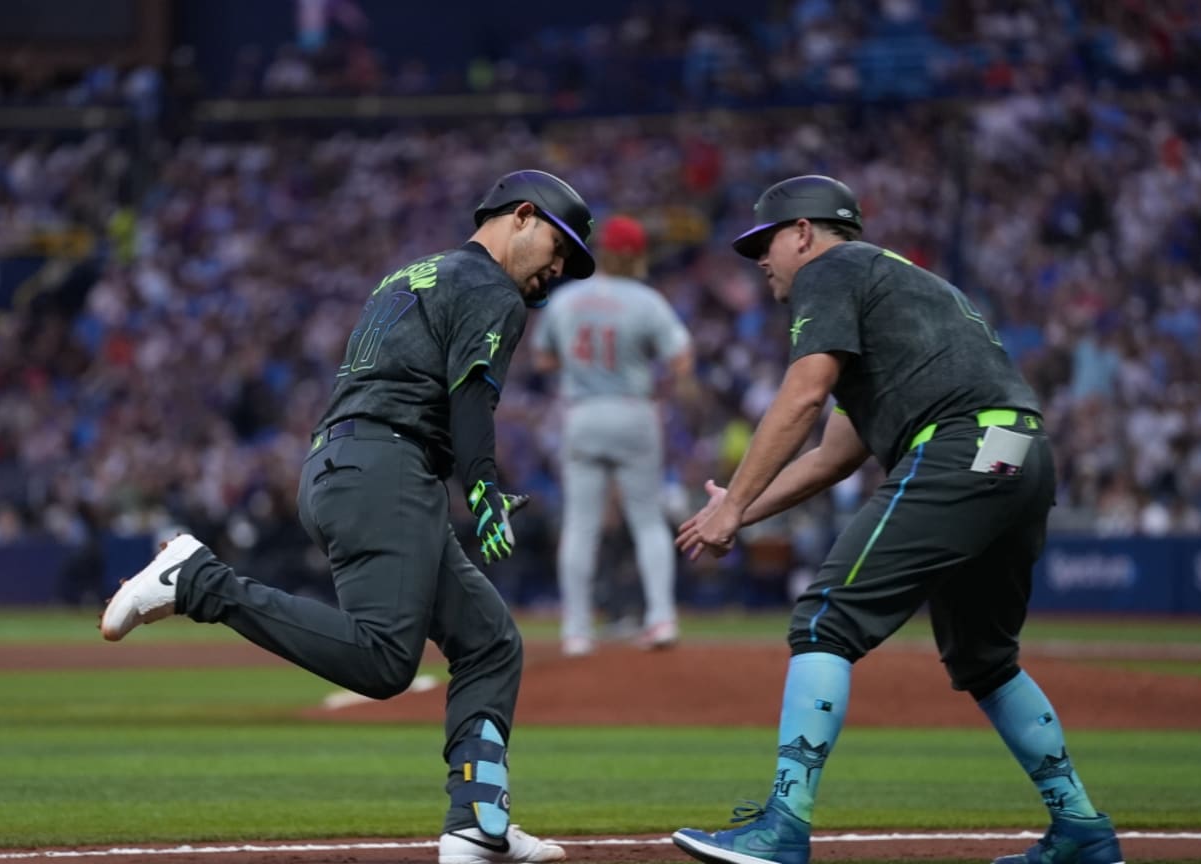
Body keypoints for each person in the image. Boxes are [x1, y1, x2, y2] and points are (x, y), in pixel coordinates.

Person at [100, 169, 598, 864]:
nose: (558, 269)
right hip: (386, 471)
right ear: (521, 215)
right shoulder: (492, 290)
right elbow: (472, 397)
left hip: (348, 466)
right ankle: (199, 582)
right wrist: (481, 486)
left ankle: (476, 820)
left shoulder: (412, 274)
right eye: (559, 246)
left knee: (489, 642)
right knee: (385, 658)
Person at [669, 175, 1124, 864]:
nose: (759, 259)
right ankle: (1082, 830)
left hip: (962, 447)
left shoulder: (831, 268)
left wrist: (733, 507)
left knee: (824, 620)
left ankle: (783, 827)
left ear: (804, 233)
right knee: (985, 659)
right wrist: (736, 506)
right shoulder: (898, 289)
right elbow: (833, 456)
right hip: (1021, 454)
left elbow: (801, 396)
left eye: (767, 241)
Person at [531, 214, 694, 656]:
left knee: (580, 525)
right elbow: (680, 359)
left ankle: (577, 631)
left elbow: (543, 361)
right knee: (646, 521)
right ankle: (661, 619)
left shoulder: (567, 300)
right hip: (632, 410)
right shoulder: (646, 300)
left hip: (582, 412)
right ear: (637, 255)